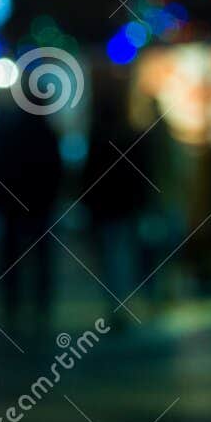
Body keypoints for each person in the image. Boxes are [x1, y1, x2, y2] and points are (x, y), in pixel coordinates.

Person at [0, 97, 63, 330]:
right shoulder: (47, 133)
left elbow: (0, 167)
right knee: (40, 255)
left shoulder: (11, 133)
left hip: (14, 205)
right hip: (39, 205)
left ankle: (13, 301)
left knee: (12, 255)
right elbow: (55, 170)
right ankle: (40, 302)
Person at [81, 87, 147, 313]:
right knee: (124, 254)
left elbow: (89, 175)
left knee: (110, 257)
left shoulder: (98, 138)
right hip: (125, 206)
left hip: (105, 208)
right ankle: (124, 301)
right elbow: (140, 175)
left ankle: (115, 303)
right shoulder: (130, 136)